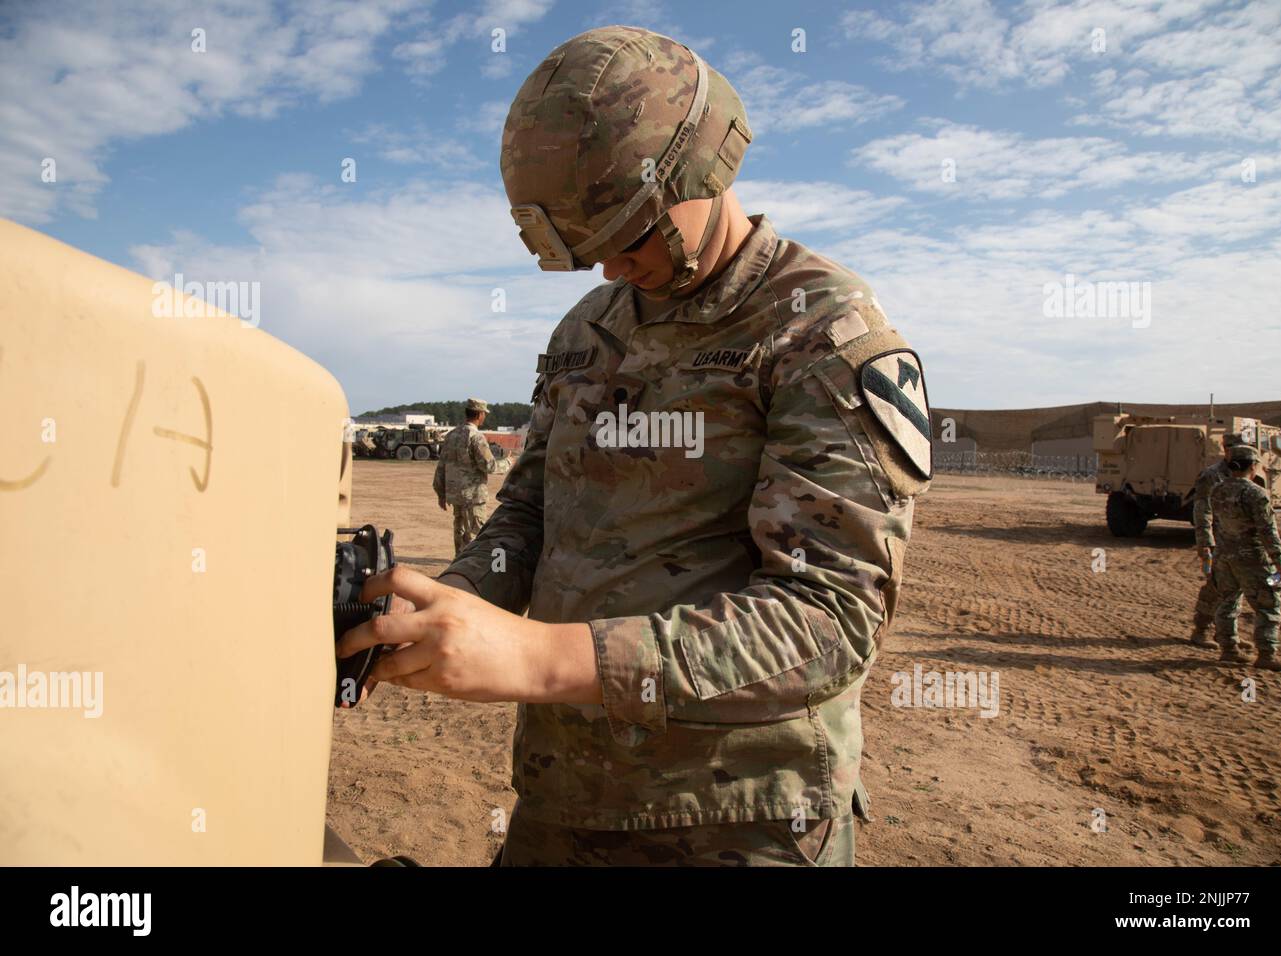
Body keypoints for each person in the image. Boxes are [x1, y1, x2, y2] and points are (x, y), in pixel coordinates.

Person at [337, 25, 932, 866]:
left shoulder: (820, 332)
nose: (613, 269)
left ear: (706, 168)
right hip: (566, 795)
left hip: (740, 816)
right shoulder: (589, 330)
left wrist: (541, 657)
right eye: (590, 249)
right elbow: (529, 518)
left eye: (632, 234)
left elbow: (829, 624)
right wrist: (443, 603)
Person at [1210, 444, 1281, 669]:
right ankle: (1266, 655)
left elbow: (1216, 524)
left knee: (1227, 602)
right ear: (1254, 467)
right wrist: (1279, 562)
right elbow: (1268, 530)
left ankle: (1229, 650)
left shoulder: (1217, 490)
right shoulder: (1255, 493)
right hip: (1252, 559)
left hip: (1224, 557)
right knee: (1268, 604)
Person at [1189, 432, 1244, 646]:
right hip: (1218, 541)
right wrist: (1205, 541)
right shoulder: (1212, 475)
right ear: (1226, 449)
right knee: (1214, 585)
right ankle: (1201, 630)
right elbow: (1202, 510)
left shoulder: (1244, 471)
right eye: (1234, 448)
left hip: (1240, 540)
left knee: (1236, 588)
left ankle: (1228, 633)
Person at [433, 399, 498, 555]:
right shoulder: (476, 437)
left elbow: (441, 466)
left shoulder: (451, 435)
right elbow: (489, 465)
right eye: (484, 414)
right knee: (477, 533)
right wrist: (509, 462)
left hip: (456, 495)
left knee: (460, 532)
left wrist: (441, 494)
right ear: (480, 414)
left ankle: (458, 564)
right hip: (473, 495)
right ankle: (474, 568)